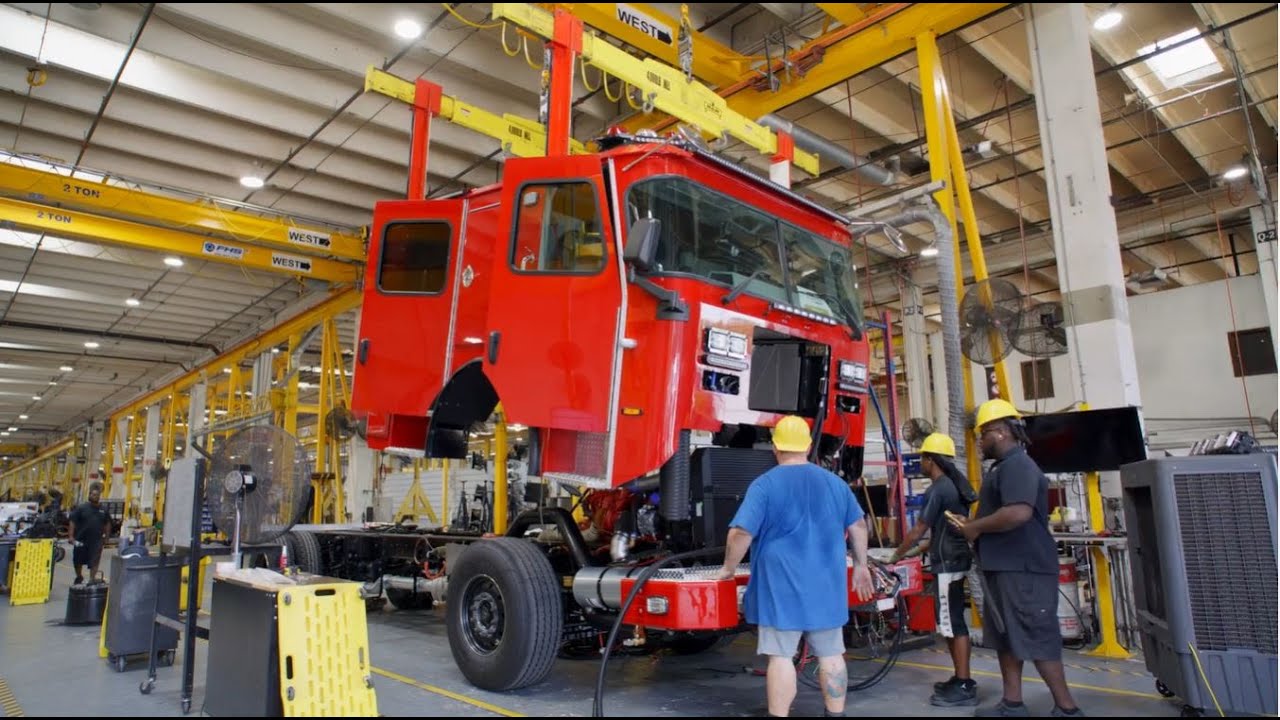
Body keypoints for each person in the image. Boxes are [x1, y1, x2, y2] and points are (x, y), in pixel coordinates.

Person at [717, 415, 874, 718]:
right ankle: (835, 714)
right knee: (831, 654)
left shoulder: (764, 485)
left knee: (780, 657)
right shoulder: (835, 483)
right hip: (826, 584)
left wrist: (727, 568)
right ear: (809, 446)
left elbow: (740, 533)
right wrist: (861, 565)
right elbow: (858, 525)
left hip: (781, 586)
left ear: (775, 447)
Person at [948, 399, 1085, 718]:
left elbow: (1018, 513)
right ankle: (1012, 703)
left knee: (1037, 636)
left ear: (998, 433)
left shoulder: (1018, 466)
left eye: (982, 436)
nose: (980, 443)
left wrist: (974, 528)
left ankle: (1067, 708)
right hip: (1005, 568)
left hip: (1024, 570)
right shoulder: (1004, 468)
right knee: (1007, 636)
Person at [890, 432, 980, 708]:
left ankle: (964, 683)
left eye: (922, 459)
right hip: (953, 559)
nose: (921, 463)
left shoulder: (939, 488)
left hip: (949, 563)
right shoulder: (953, 487)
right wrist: (916, 553)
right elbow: (941, 533)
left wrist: (895, 555)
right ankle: (959, 678)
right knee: (951, 623)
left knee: (953, 623)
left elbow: (919, 529)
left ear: (931, 460)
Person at [68, 482, 111, 585]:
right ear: (89, 495)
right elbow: (72, 522)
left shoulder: (103, 510)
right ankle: (79, 576)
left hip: (96, 541)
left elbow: (108, 523)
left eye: (97, 495)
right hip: (81, 539)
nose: (95, 496)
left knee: (95, 561)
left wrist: (107, 537)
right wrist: (71, 536)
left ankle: (92, 579)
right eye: (93, 494)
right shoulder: (81, 508)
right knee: (77, 560)